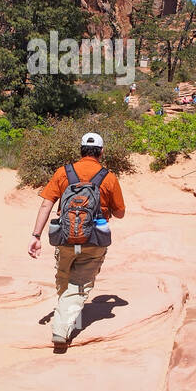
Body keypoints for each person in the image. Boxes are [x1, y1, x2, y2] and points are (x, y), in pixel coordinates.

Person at [29, 132, 125, 350]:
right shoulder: (108, 177)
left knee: (64, 278)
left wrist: (36, 236)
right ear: (101, 152)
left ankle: (70, 316)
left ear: (80, 150)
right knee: (79, 284)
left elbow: (46, 205)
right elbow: (120, 213)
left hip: (64, 238)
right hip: (94, 240)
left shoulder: (64, 173)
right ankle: (61, 330)